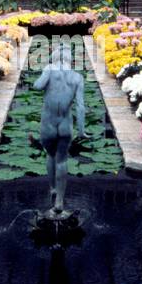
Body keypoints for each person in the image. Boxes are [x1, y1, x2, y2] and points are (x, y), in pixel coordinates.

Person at [34, 42, 85, 212]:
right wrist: (82, 130)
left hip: (48, 123)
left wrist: (46, 71)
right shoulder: (77, 78)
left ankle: (53, 189)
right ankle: (60, 202)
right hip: (65, 124)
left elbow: (37, 86)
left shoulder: (49, 69)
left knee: (50, 154)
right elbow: (80, 107)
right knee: (62, 160)